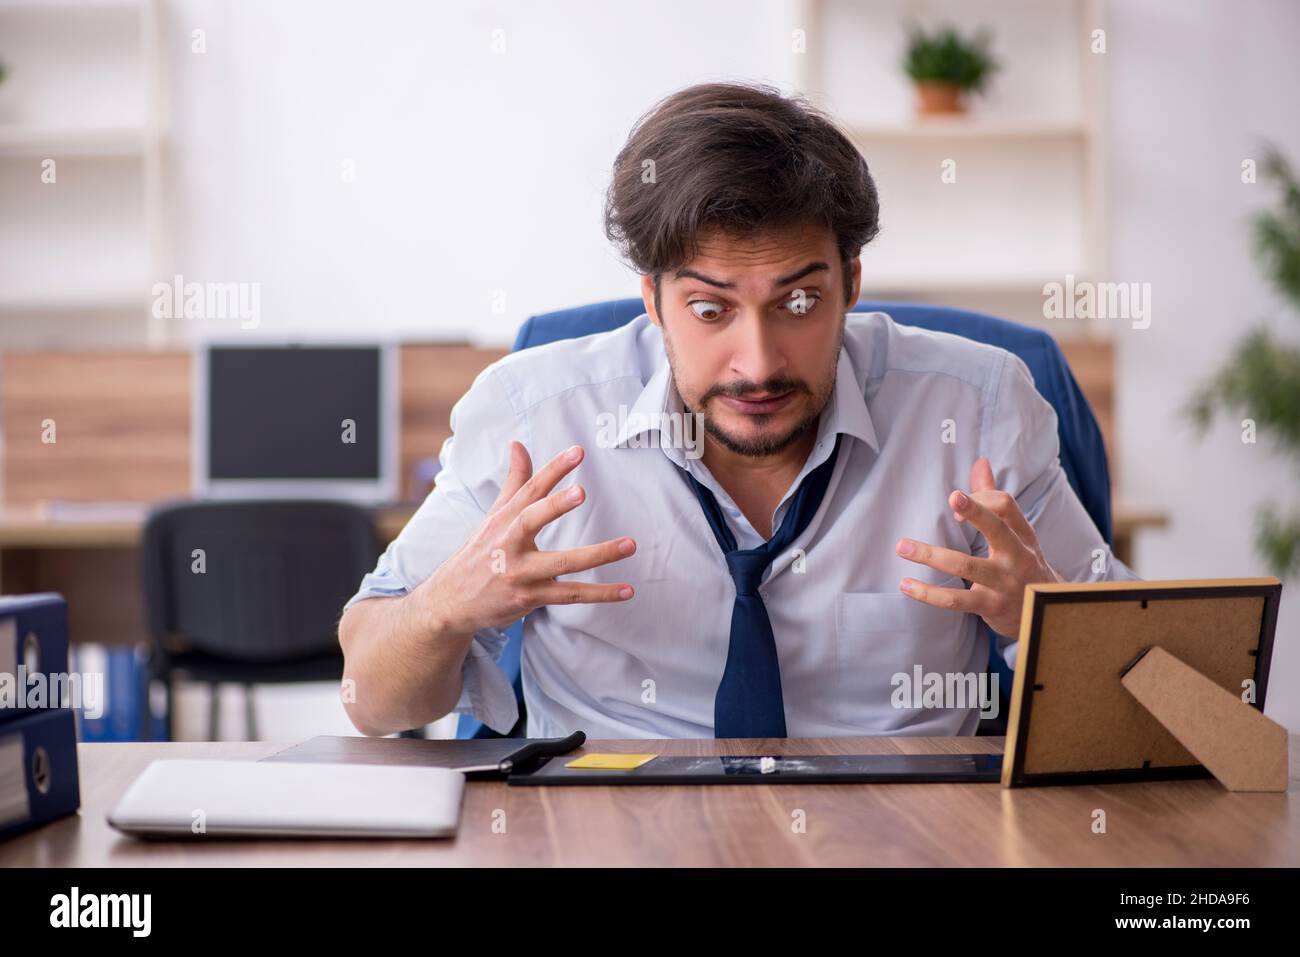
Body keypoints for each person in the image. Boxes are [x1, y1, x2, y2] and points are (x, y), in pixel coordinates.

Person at [338, 81, 1137, 740]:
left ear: (852, 284)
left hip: (906, 834)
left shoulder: (982, 409)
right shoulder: (534, 416)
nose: (758, 362)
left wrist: (1047, 625)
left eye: (799, 301)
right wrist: (445, 608)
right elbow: (370, 701)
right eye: (711, 309)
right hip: (609, 831)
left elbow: (1154, 697)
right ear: (651, 298)